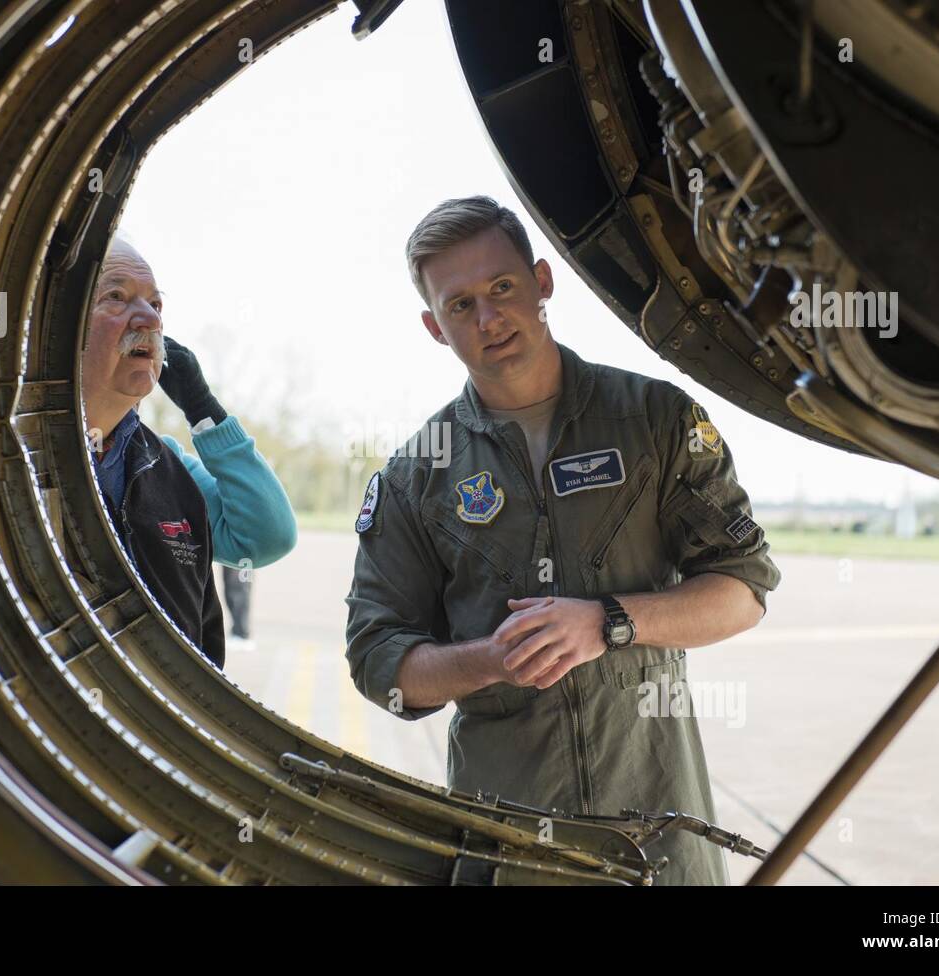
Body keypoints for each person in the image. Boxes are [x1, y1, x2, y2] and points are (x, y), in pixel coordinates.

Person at [344, 196, 780, 884]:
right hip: (509, 846)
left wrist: (607, 623)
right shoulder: (416, 473)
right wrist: (491, 659)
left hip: (659, 836)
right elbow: (379, 662)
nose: (489, 319)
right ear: (434, 326)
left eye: (503, 288)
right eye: (460, 306)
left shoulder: (656, 420)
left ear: (542, 282)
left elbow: (743, 591)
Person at [80, 237, 295, 668]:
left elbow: (264, 537)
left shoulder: (165, 465)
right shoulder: (18, 452)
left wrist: (203, 409)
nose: (149, 320)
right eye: (116, 297)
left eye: (156, 305)